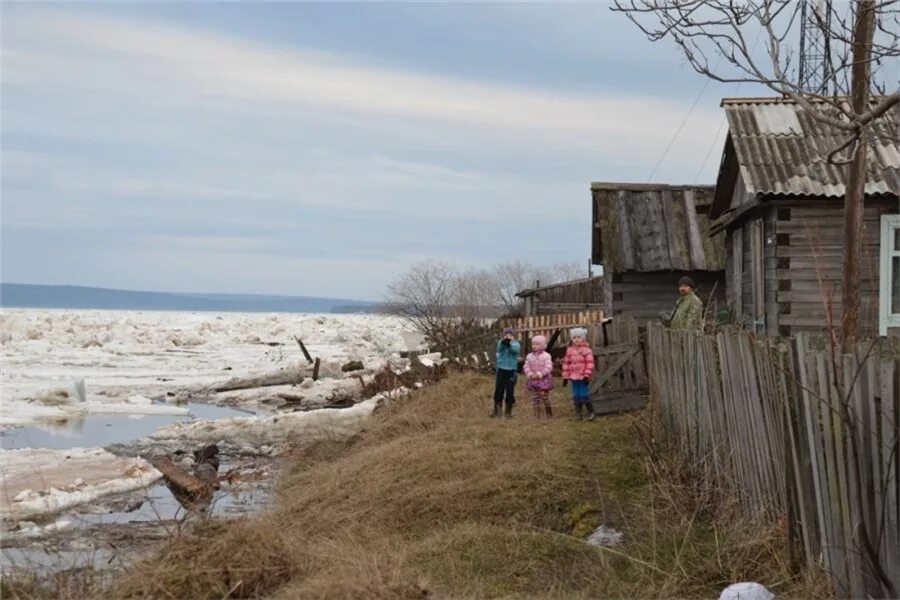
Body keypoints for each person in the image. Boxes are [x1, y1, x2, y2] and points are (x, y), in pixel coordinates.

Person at [562, 327, 596, 420]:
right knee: (576, 395)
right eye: (574, 337)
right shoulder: (569, 350)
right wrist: (565, 376)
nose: (576, 339)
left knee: (583, 394)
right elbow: (566, 363)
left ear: (583, 338)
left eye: (579, 337)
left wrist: (587, 374)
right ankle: (578, 414)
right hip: (573, 377)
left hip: (583, 377)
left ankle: (591, 412)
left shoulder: (587, 350)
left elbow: (590, 363)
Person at [523, 335, 554, 418]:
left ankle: (549, 414)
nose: (534, 346)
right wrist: (529, 374)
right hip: (533, 380)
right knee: (535, 397)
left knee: (544, 397)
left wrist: (540, 374)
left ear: (543, 345)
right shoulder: (529, 356)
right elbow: (526, 366)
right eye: (533, 344)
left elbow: (548, 367)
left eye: (537, 344)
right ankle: (536, 415)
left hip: (544, 380)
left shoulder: (546, 356)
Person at [492, 327, 521, 418]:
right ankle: (497, 410)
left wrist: (510, 344)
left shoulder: (516, 344)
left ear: (513, 336)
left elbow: (515, 350)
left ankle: (508, 412)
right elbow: (499, 349)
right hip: (501, 369)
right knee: (499, 390)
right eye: (506, 335)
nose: (508, 337)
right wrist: (503, 342)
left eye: (510, 335)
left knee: (510, 391)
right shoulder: (501, 343)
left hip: (511, 370)